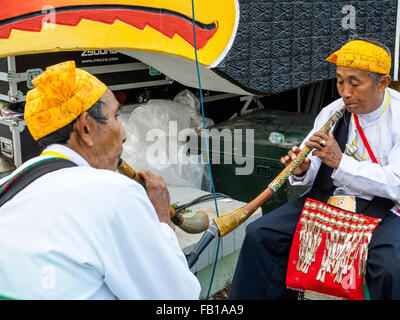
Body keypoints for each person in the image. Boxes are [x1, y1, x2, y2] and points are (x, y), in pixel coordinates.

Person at [0, 61, 201, 299]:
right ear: (85, 128)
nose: (124, 135)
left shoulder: (9, 185)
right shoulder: (115, 194)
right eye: (116, 116)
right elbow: (177, 297)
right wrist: (162, 221)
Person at [229, 37, 400, 300]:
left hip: (384, 208)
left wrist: (340, 162)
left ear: (383, 83)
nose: (345, 92)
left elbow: (396, 184)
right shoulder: (333, 111)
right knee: (260, 234)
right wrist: (303, 168)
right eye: (340, 81)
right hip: (330, 201)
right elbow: (316, 165)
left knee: (390, 266)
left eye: (355, 83)